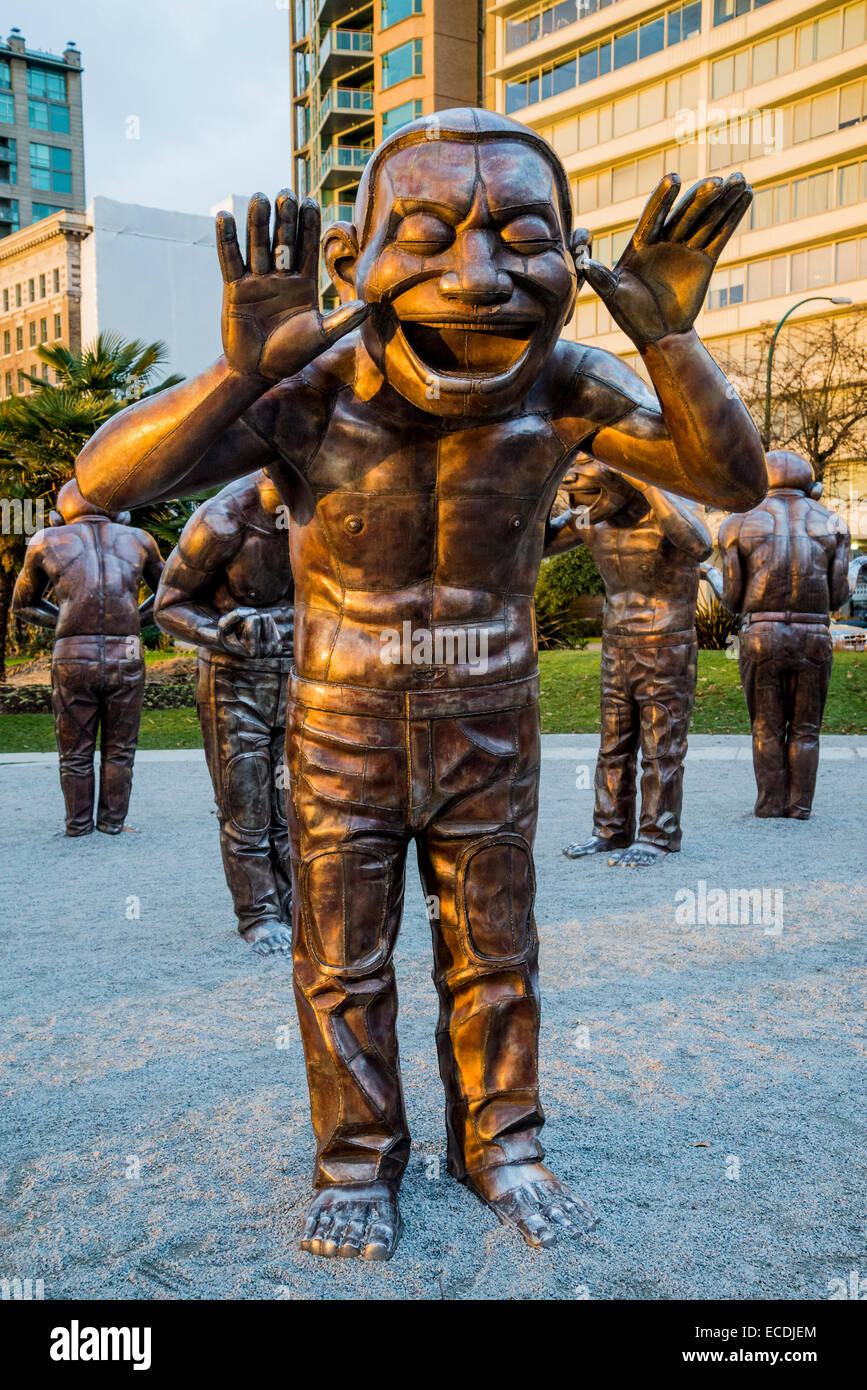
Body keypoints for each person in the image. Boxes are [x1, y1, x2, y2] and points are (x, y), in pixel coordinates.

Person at [75, 109, 766, 1260]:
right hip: (344, 722)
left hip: (491, 719)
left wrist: (668, 339)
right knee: (342, 958)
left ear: (576, 255)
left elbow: (729, 477)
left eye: (524, 236)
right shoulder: (312, 389)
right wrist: (242, 365)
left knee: (497, 948)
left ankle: (502, 1144)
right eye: (430, 235)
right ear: (350, 263)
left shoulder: (567, 386)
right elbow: (104, 478)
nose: (479, 277)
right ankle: (357, 1159)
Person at [154, 470, 294, 955]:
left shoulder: (330, 509)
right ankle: (258, 914)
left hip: (303, 678)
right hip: (235, 683)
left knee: (298, 803)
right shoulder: (221, 521)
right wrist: (219, 633)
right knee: (245, 801)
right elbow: (168, 604)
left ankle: (296, 904)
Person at [547, 461, 711, 865]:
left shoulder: (666, 511)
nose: (572, 476)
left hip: (665, 643)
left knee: (661, 746)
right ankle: (610, 830)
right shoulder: (591, 518)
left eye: (585, 464)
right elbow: (542, 543)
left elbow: (699, 544)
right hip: (615, 643)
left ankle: (657, 835)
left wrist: (646, 479)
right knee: (613, 746)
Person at [12, 478, 163, 836]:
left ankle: (78, 826)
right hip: (126, 648)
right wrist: (129, 619)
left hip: (72, 653)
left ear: (57, 516)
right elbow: (170, 595)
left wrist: (69, 621)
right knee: (120, 749)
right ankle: (112, 823)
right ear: (120, 513)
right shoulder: (140, 540)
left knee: (75, 750)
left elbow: (23, 605)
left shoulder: (46, 540)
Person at [705, 450, 851, 819]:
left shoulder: (737, 523)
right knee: (806, 727)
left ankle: (770, 803)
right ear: (810, 484)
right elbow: (838, 597)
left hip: (760, 635)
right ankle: (800, 805)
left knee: (765, 725)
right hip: (813, 634)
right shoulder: (833, 522)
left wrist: (710, 575)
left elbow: (734, 600)